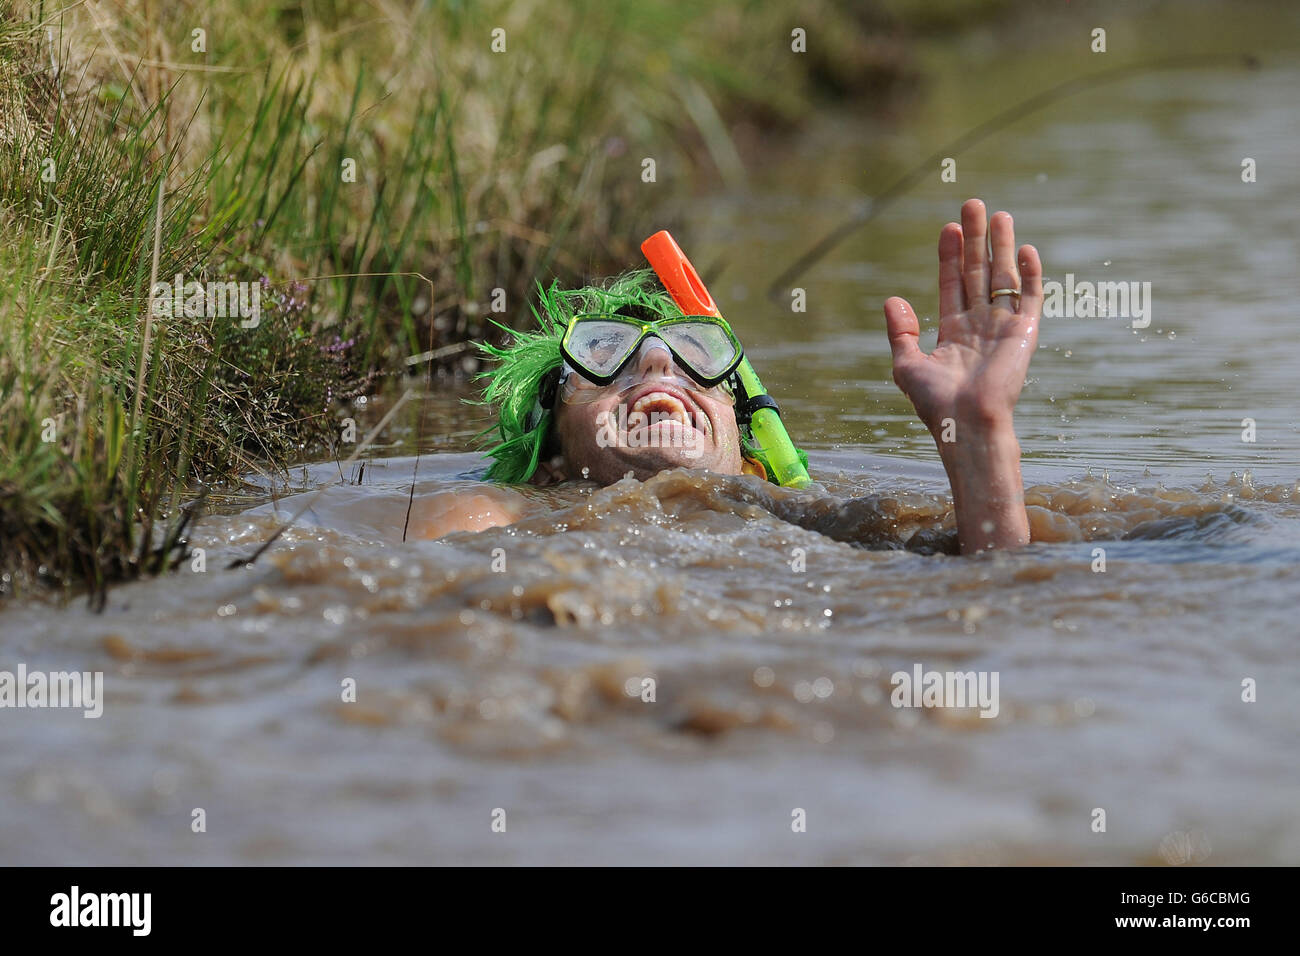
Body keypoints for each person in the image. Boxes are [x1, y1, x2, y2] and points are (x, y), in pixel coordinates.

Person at [409, 199, 1042, 554]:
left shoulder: (828, 529)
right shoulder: (493, 519)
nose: (658, 364)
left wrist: (983, 442)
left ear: (745, 452)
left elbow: (995, 597)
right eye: (604, 354)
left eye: (694, 351)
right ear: (549, 454)